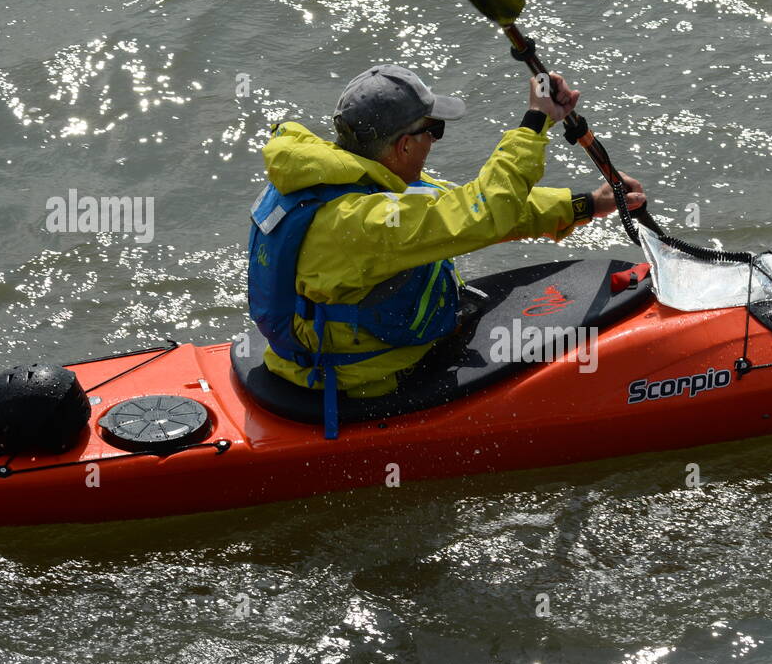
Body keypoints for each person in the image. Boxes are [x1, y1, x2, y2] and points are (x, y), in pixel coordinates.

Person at [246, 63, 645, 437]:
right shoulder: (363, 221)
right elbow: (483, 213)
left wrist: (588, 204)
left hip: (311, 353)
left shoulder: (345, 179)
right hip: (361, 381)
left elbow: (469, 209)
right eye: (433, 131)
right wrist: (535, 122)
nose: (434, 143)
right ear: (404, 145)